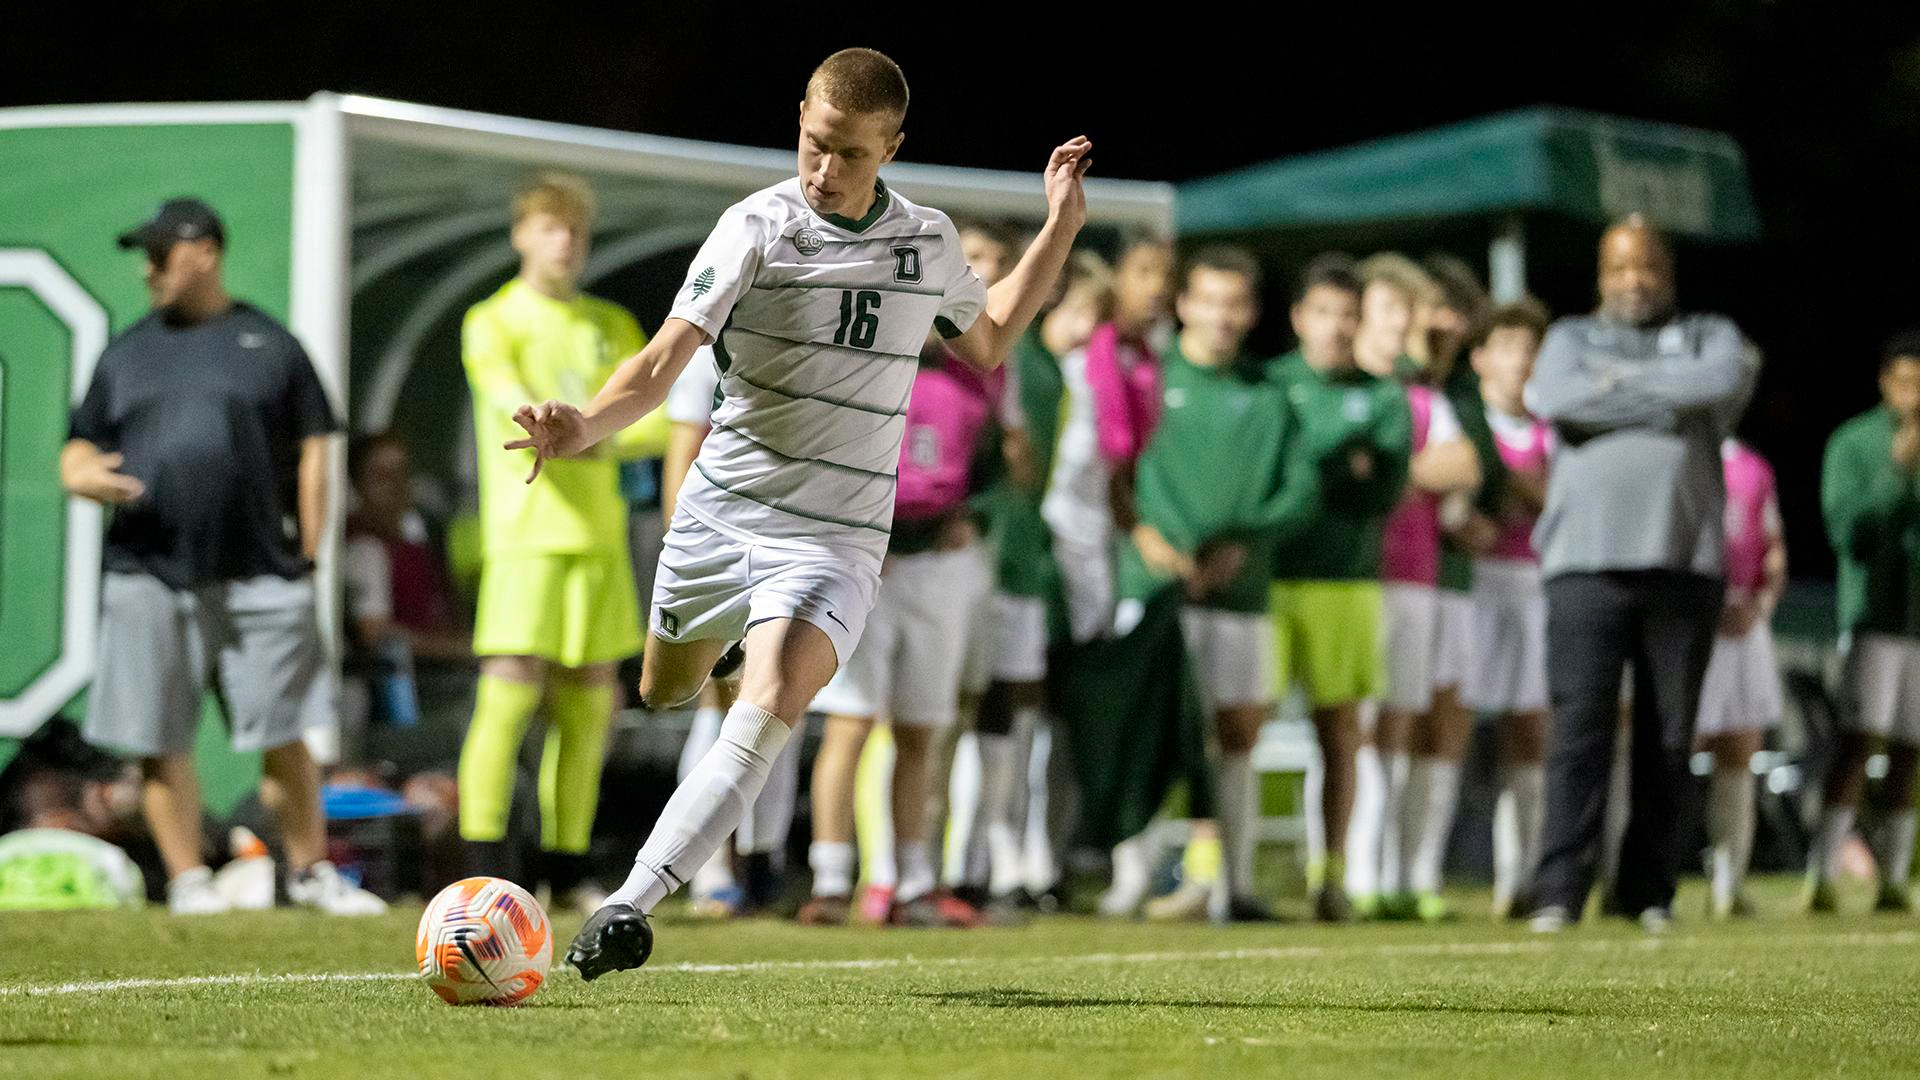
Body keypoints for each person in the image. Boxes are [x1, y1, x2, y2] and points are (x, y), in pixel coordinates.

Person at [505, 48, 1090, 981]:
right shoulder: (755, 227)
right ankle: (723, 646)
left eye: (852, 155)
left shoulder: (926, 243)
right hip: (721, 516)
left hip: (836, 538)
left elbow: (990, 340)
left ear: (893, 147)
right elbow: (661, 362)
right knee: (664, 690)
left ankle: (631, 904)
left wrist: (1058, 226)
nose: (824, 170)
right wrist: (583, 425)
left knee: (772, 700)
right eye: (815, 145)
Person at [62, 196, 384, 916]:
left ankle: (307, 874)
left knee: (284, 734)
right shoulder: (128, 349)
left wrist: (308, 552)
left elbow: (314, 452)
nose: (147, 270)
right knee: (156, 736)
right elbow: (78, 444)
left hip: (262, 574)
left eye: (159, 254)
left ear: (205, 251)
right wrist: (79, 473)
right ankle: (188, 882)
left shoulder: (270, 344)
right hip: (146, 569)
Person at [1524, 216, 1758, 933]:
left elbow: (1723, 377)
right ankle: (1560, 891)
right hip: (1582, 564)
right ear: (1601, 275)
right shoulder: (1567, 338)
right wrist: (1666, 398)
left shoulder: (1710, 334)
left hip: (1683, 562)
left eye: (1647, 267)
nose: (1634, 280)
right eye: (1619, 268)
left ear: (1668, 272)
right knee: (1580, 732)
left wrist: (1614, 391)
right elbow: (1554, 399)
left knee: (1668, 737)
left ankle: (1648, 890)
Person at [456, 172, 669, 914]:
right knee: (508, 694)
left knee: (589, 706)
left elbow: (654, 414)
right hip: (526, 539)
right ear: (521, 234)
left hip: (600, 540)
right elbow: (505, 401)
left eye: (576, 229)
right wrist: (579, 430)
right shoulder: (491, 320)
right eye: (551, 227)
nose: (566, 241)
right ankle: (481, 865)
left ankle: (566, 865)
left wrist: (586, 436)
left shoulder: (610, 324)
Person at [1116, 246, 1319, 922]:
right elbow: (1113, 468)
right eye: (1209, 299)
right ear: (1184, 305)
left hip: (1240, 593)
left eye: (1235, 303)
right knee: (1148, 731)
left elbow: (1301, 492)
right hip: (1154, 588)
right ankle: (1129, 880)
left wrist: (1245, 539)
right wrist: (1147, 538)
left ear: (1252, 311)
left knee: (1238, 734)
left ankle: (1235, 884)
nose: (1222, 316)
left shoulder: (1267, 394)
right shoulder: (1148, 377)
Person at [802, 333, 1004, 928]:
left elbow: (991, 471)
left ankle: (913, 880)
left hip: (936, 568)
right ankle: (831, 877)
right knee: (851, 723)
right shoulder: (856, 372)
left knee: (921, 730)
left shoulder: (975, 382)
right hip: (869, 564)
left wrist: (972, 514)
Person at [1261, 254, 1412, 922]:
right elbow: (1270, 469)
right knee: (1236, 725)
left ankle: (1334, 874)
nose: (1336, 327)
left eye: (1349, 315)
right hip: (1267, 577)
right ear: (1299, 318)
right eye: (1324, 312)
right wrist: (1336, 460)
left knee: (1341, 734)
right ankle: (1222, 872)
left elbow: (1379, 488)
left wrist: (1329, 467)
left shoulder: (1382, 395)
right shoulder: (1268, 383)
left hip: (1346, 581)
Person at [971, 253, 1111, 910]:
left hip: (1030, 554)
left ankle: (1011, 859)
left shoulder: (1056, 369)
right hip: (980, 546)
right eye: (1078, 309)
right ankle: (972, 859)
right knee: (967, 705)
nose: (1085, 328)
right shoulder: (1002, 350)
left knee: (1021, 701)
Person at [1350, 253, 1479, 921]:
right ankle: (1353, 869)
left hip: (1413, 575)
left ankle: (1395, 874)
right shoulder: (1346, 390)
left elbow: (1462, 464)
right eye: (1392, 310)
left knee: (1398, 721)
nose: (1405, 324)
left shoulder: (1424, 398)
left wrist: (1393, 473)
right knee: (1354, 723)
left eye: (1408, 311)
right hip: (1351, 574)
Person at [1807, 331, 1920, 915]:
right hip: (1872, 619)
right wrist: (1898, 475)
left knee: (1909, 750)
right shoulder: (1854, 443)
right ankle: (1821, 875)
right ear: (1885, 382)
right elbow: (1847, 532)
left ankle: (1895, 878)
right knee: (1858, 743)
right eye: (1906, 380)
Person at [1462, 299, 1554, 920]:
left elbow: (1559, 499)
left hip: (1531, 584)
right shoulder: (1467, 423)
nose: (1520, 360)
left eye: (1530, 348)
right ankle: (1405, 872)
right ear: (1480, 358)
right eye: (1508, 346)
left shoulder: (1552, 430)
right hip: (1470, 583)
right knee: (1450, 726)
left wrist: (1518, 492)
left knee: (1529, 732)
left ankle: (1517, 877)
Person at [1695, 436, 1785, 919]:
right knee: (1670, 748)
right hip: (1690, 624)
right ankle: (1642, 878)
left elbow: (1774, 550)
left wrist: (1759, 605)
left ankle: (1728, 884)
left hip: (1744, 626)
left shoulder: (1753, 467)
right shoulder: (1681, 452)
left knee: (1740, 749)